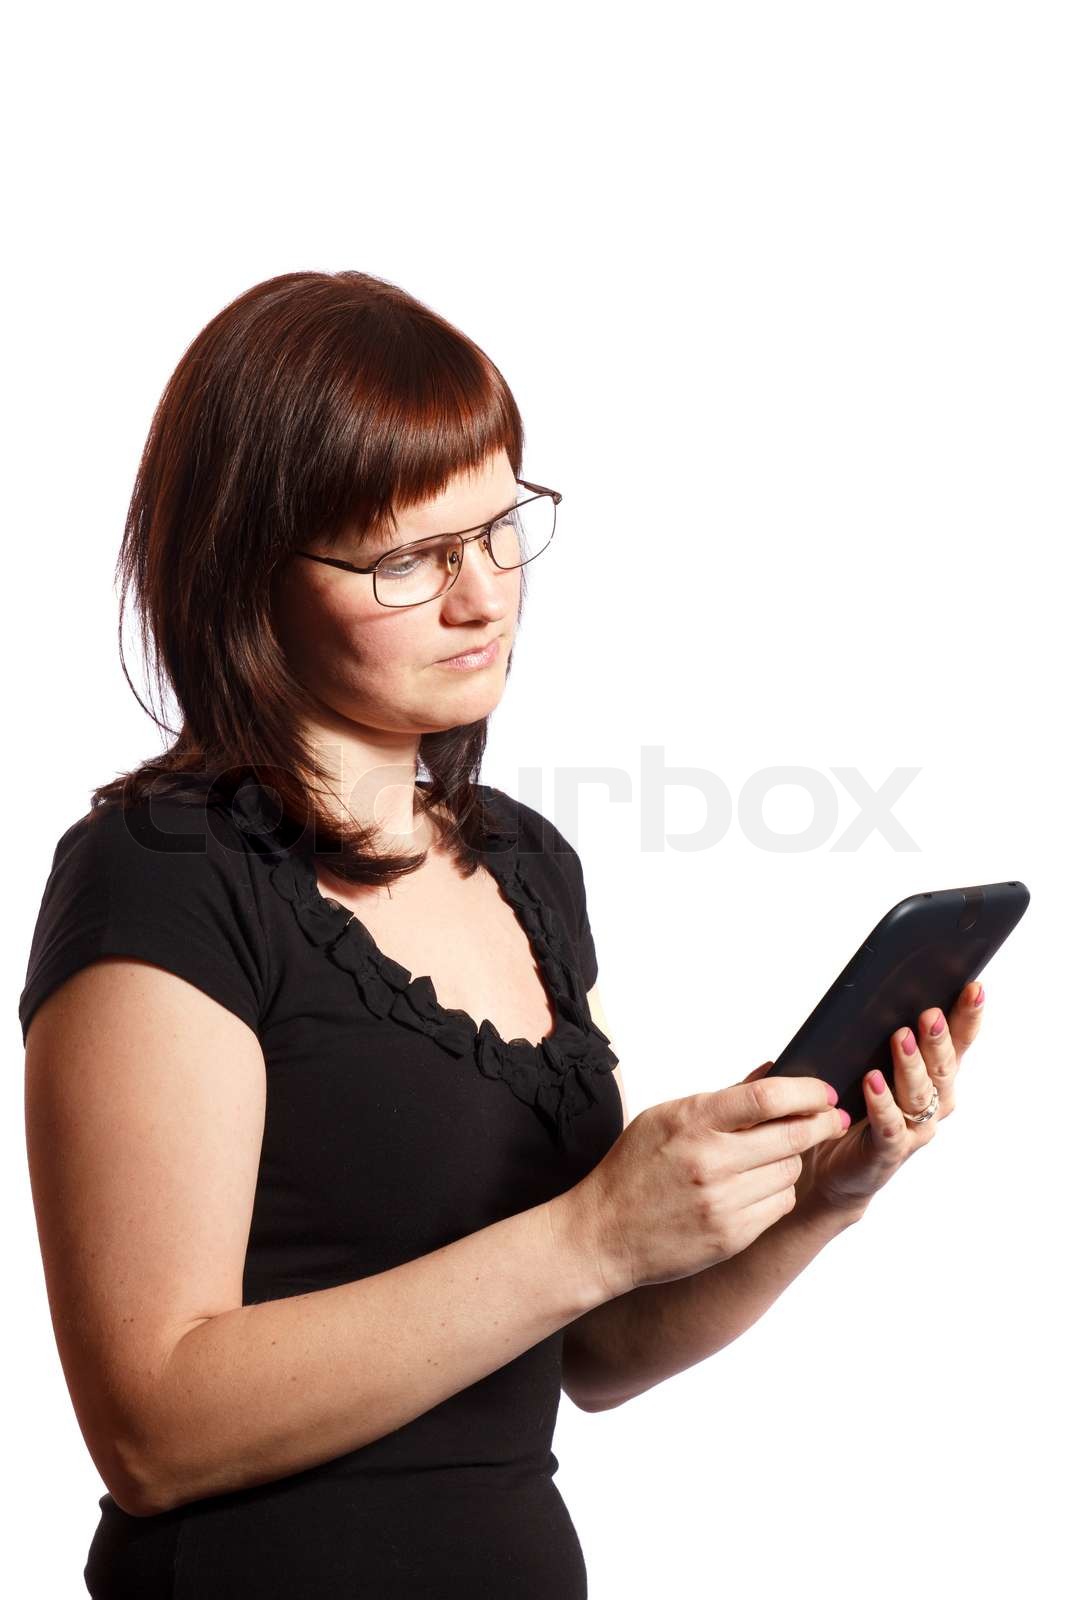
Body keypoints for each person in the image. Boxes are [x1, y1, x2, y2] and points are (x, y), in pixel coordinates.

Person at [20, 270, 987, 1599]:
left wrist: (816, 1204)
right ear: (248, 575)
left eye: (498, 530)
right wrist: (592, 1230)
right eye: (408, 558)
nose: (483, 599)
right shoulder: (160, 877)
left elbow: (591, 1355)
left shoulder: (530, 864)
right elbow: (151, 1429)